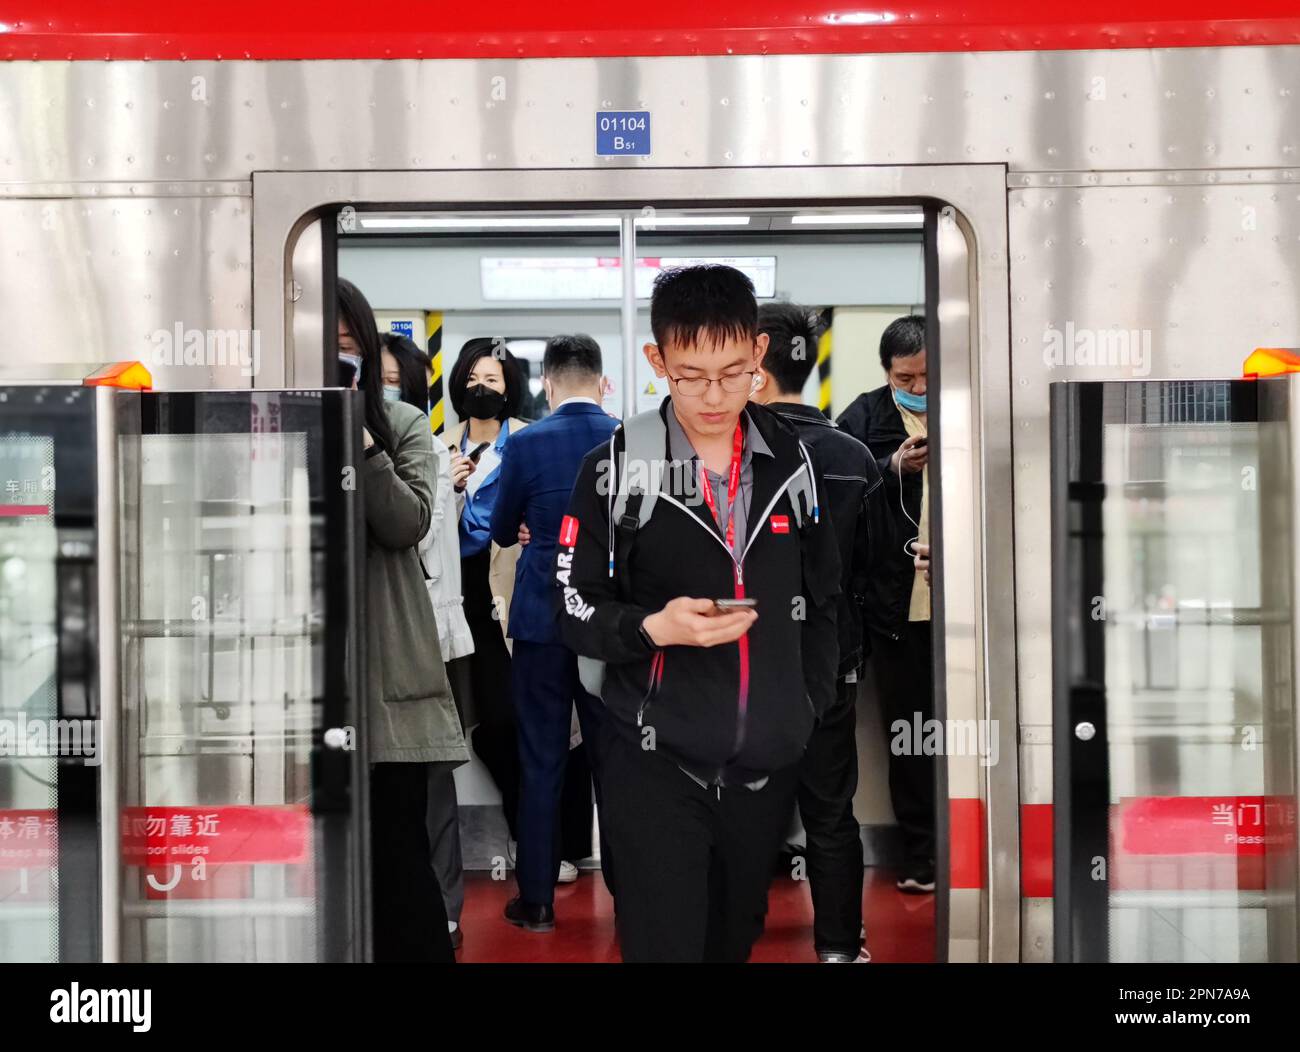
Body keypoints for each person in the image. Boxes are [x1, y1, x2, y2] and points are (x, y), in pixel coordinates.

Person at [555, 264, 842, 962]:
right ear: (657, 361)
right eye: (690, 375)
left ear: (759, 357)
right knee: (665, 944)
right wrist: (653, 628)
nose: (714, 395)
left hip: (763, 766)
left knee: (732, 940)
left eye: (733, 372)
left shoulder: (795, 462)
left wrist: (805, 708)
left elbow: (826, 598)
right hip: (653, 758)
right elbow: (571, 603)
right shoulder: (614, 469)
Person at [751, 302, 889, 963]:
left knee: (738, 805)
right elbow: (874, 567)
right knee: (831, 809)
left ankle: (736, 927)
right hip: (831, 658)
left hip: (742, 658)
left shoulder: (727, 451)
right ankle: (839, 945)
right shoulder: (855, 456)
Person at [338, 280, 467, 963]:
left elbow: (405, 523)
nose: (331, 363)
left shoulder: (403, 425)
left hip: (384, 669)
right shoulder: (264, 417)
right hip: (299, 666)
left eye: (342, 349)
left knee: (397, 855)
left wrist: (360, 438)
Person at [489, 334, 620, 932]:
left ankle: (538, 901)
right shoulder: (629, 438)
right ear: (602, 380)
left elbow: (498, 527)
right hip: (609, 621)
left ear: (547, 381)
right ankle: (631, 893)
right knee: (614, 759)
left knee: (540, 758)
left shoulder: (526, 442)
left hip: (542, 615)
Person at [379, 332, 475, 952]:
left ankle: (443, 904)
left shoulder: (421, 450)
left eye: (393, 378)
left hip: (436, 632)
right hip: (402, 634)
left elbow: (419, 535)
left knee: (432, 787)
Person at [836, 315, 936, 894]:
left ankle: (975, 847)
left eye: (927, 376)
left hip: (963, 606)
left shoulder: (968, 403)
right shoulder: (864, 416)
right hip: (894, 607)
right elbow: (839, 493)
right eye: (907, 377)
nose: (919, 388)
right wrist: (890, 466)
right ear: (887, 372)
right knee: (912, 735)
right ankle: (922, 854)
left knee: (966, 736)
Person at [444, 341, 528, 856]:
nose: (482, 388)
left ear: (509, 388)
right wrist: (450, 489)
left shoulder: (527, 443)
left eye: (493, 380)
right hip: (457, 593)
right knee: (461, 721)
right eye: (474, 378)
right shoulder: (439, 446)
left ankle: (527, 837)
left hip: (508, 597)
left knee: (504, 720)